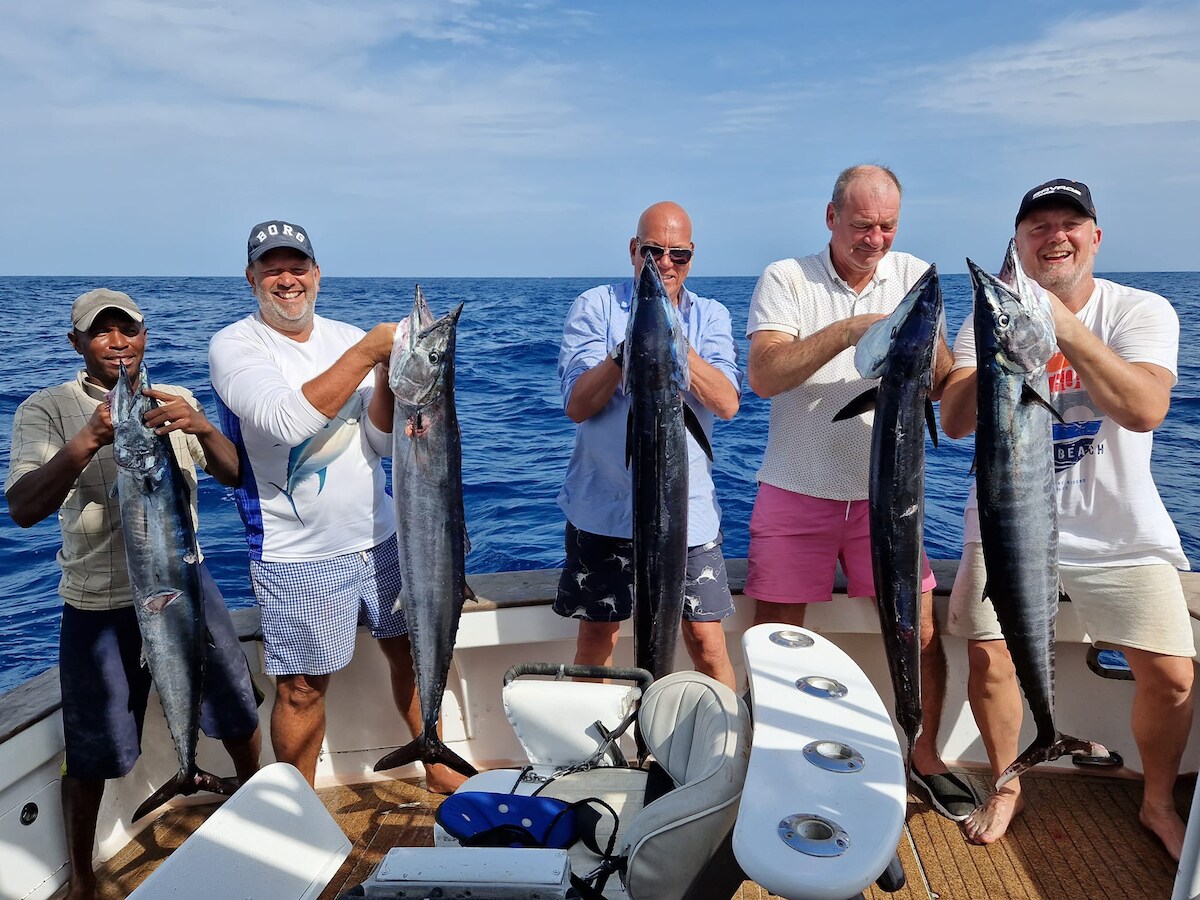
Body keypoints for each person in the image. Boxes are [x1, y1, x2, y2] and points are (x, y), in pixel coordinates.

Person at [939, 178, 1195, 859]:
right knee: (989, 656)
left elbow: (1144, 409)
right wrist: (1000, 346)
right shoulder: (985, 321)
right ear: (1020, 243)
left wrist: (1059, 325)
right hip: (1004, 520)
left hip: (1118, 529)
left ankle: (1158, 801)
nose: (1054, 234)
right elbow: (955, 421)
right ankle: (1007, 779)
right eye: (1037, 226)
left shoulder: (1141, 310)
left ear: (1095, 237)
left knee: (1172, 674)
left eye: (1069, 223)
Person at [5, 289, 262, 900]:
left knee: (234, 708)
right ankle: (84, 879)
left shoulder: (177, 400)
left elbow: (232, 473)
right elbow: (22, 508)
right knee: (89, 746)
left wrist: (200, 425)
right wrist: (88, 441)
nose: (118, 344)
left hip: (183, 585)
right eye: (102, 334)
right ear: (78, 345)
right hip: (97, 602)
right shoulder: (45, 409)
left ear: (146, 335)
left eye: (129, 331)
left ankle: (260, 817)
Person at [743, 164, 968, 819]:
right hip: (796, 487)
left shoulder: (918, 276)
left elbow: (945, 374)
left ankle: (923, 755)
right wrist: (852, 331)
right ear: (831, 217)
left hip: (891, 499)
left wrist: (959, 374)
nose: (876, 238)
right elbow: (762, 374)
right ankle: (775, 756)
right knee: (778, 634)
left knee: (920, 630)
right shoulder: (787, 278)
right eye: (863, 224)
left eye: (888, 225)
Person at [208, 221, 465, 793]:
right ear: (252, 278)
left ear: (317, 274)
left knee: (414, 651)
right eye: (272, 268)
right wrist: (369, 352)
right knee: (301, 687)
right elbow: (284, 420)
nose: (287, 278)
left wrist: (389, 384)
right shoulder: (234, 346)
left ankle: (438, 760)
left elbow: (378, 444)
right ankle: (295, 803)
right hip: (296, 553)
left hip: (385, 535)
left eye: (297, 266)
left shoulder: (344, 335)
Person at [554, 201, 741, 691]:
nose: (665, 264)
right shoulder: (596, 307)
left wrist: (676, 348)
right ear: (634, 249)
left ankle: (723, 747)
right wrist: (628, 351)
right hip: (603, 509)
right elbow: (577, 404)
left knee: (706, 640)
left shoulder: (711, 315)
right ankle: (588, 747)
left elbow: (726, 402)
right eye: (654, 251)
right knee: (598, 635)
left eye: (678, 255)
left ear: (691, 257)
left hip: (688, 514)